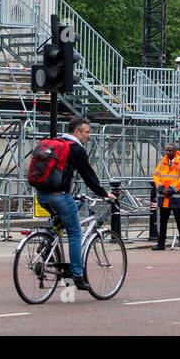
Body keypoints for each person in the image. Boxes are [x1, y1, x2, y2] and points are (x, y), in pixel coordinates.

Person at [34, 117, 116, 292]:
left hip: (41, 194)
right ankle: (78, 275)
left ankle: (47, 238)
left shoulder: (56, 142)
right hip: (59, 196)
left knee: (61, 219)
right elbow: (88, 175)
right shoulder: (76, 149)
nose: (88, 135)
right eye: (86, 132)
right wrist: (103, 193)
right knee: (75, 233)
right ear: (77, 132)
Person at [152, 144, 180, 251]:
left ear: (175, 151)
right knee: (163, 221)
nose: (168, 152)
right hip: (164, 196)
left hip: (176, 196)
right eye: (166, 150)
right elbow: (156, 175)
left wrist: (172, 189)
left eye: (170, 151)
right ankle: (161, 244)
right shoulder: (162, 162)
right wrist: (160, 187)